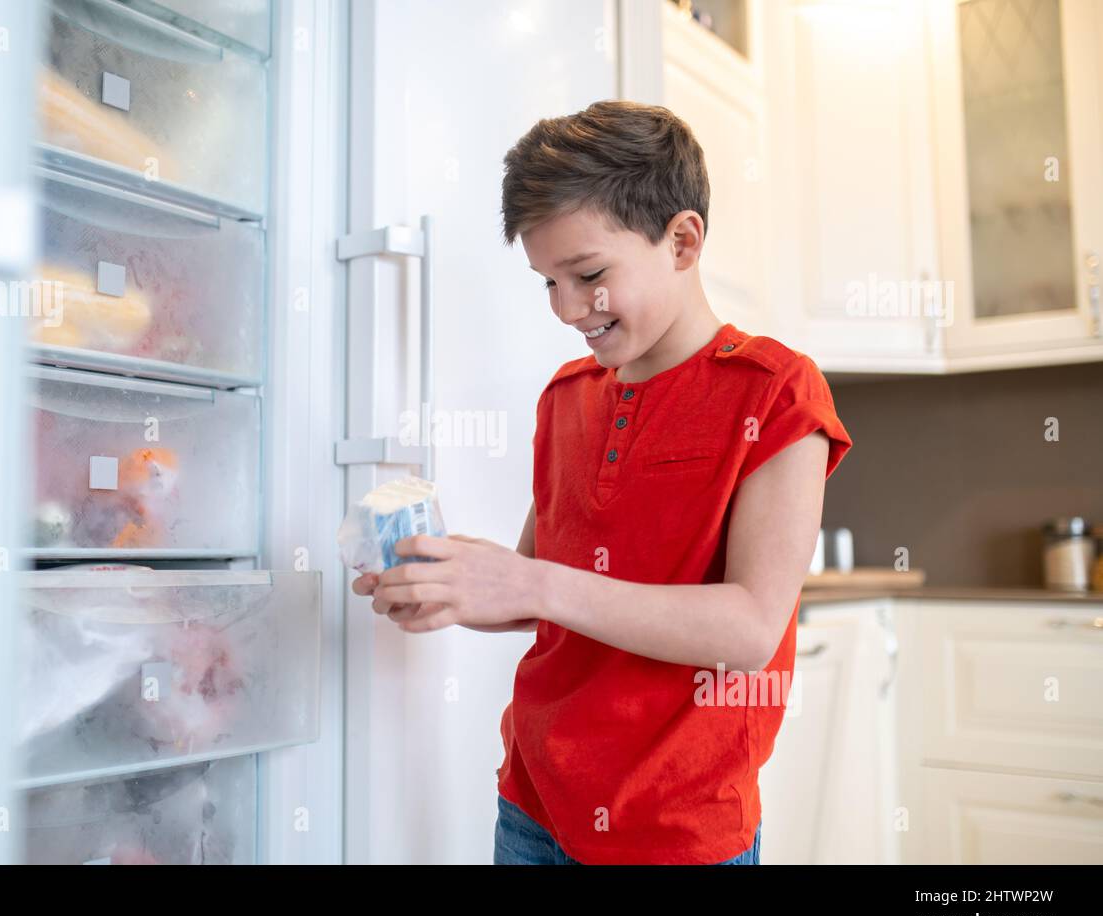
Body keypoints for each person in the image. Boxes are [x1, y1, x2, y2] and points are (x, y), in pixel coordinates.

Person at [352, 100, 852, 865]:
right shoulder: (566, 397)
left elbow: (750, 629)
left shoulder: (776, 392)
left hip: (677, 829)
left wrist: (531, 585)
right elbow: (537, 592)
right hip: (532, 808)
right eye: (546, 282)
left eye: (587, 275)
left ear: (682, 240)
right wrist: (449, 583)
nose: (565, 308)